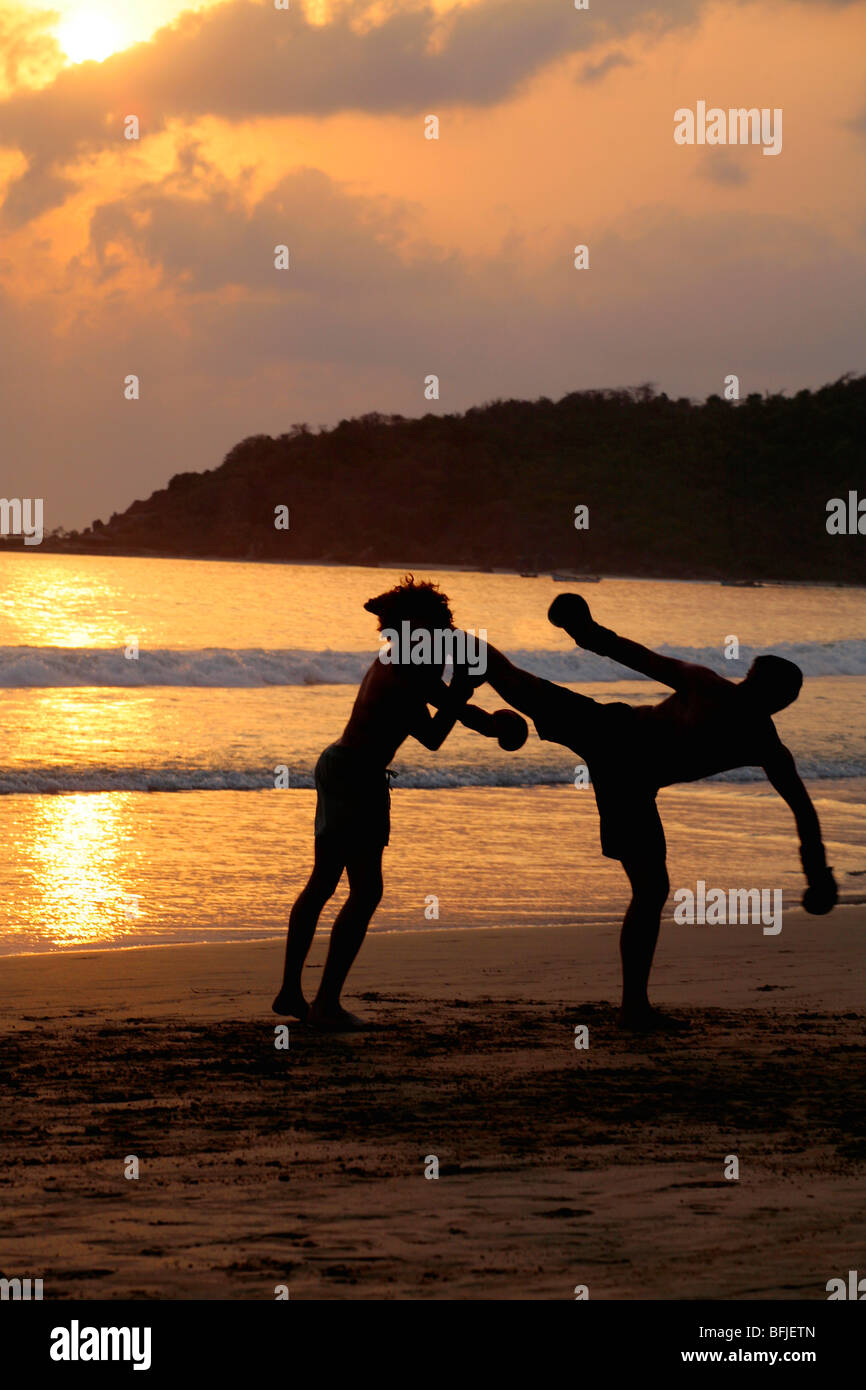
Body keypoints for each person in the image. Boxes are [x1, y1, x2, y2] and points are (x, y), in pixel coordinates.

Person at [476, 593, 837, 1032]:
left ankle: (633, 1008)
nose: (761, 698)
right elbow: (638, 656)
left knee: (651, 889)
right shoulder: (706, 687)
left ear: (780, 702)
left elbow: (802, 807)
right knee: (515, 682)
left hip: (630, 784)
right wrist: (585, 631)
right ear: (752, 680)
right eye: (759, 688)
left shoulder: (764, 743)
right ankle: (444, 640)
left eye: (774, 696)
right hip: (611, 729)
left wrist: (817, 872)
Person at [273, 575, 527, 1031]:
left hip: (337, 765)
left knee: (323, 883)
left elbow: (439, 702)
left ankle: (292, 990)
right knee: (366, 890)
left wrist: (486, 723)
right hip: (358, 778)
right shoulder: (409, 669)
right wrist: (467, 689)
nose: (442, 634)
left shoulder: (397, 659)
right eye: (435, 626)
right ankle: (325, 1004)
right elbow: (430, 735)